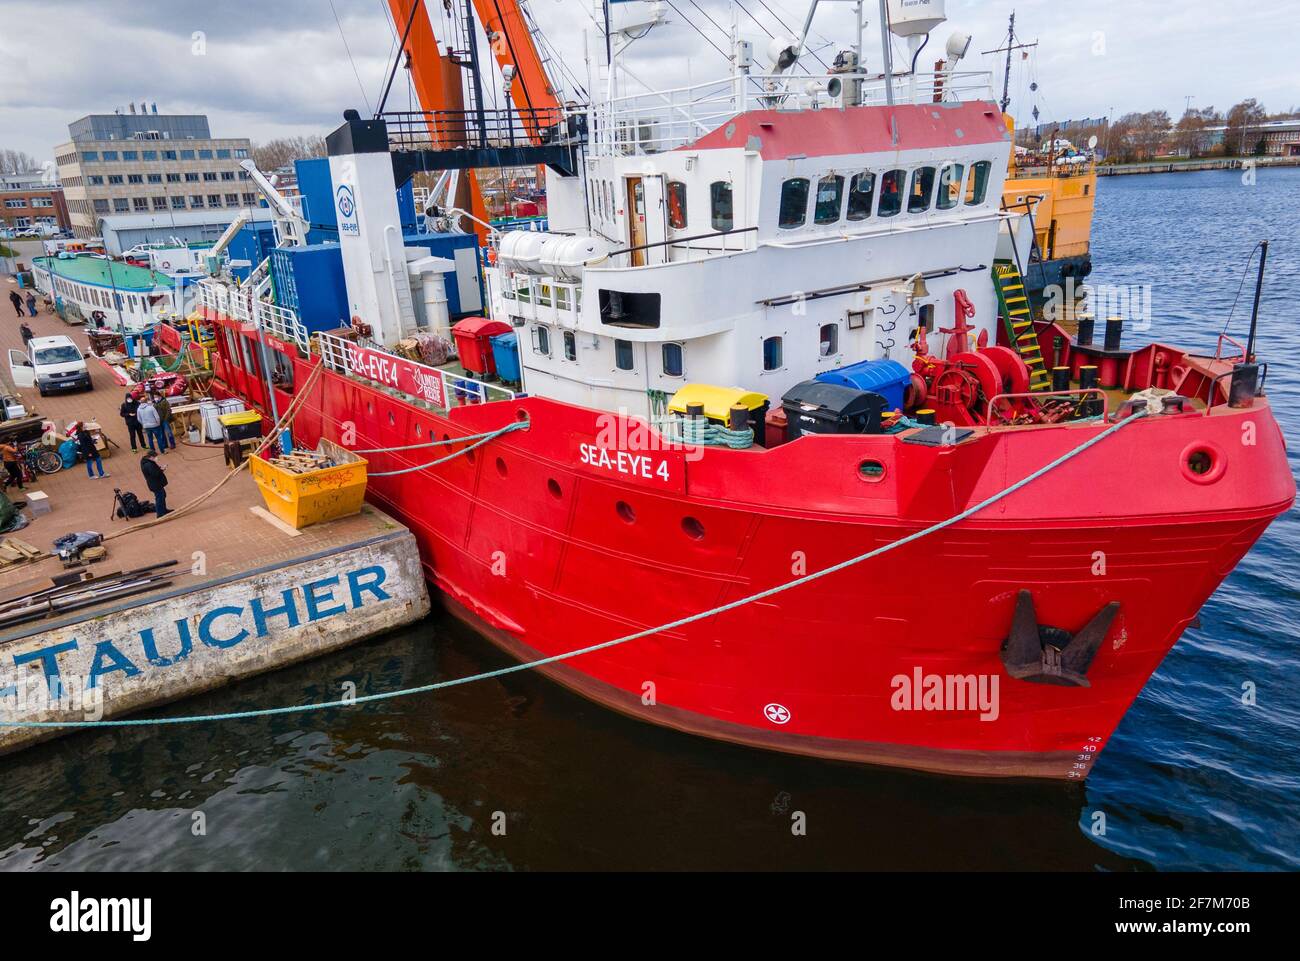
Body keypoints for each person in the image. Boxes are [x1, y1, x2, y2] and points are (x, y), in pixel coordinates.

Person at [140, 450, 168, 517]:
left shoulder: (147, 462)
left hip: (156, 483)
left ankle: (164, 510)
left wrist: (159, 469)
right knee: (159, 498)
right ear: (151, 457)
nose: (156, 458)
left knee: (163, 495)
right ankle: (160, 514)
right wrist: (162, 469)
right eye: (155, 457)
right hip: (155, 484)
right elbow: (155, 474)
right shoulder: (149, 464)